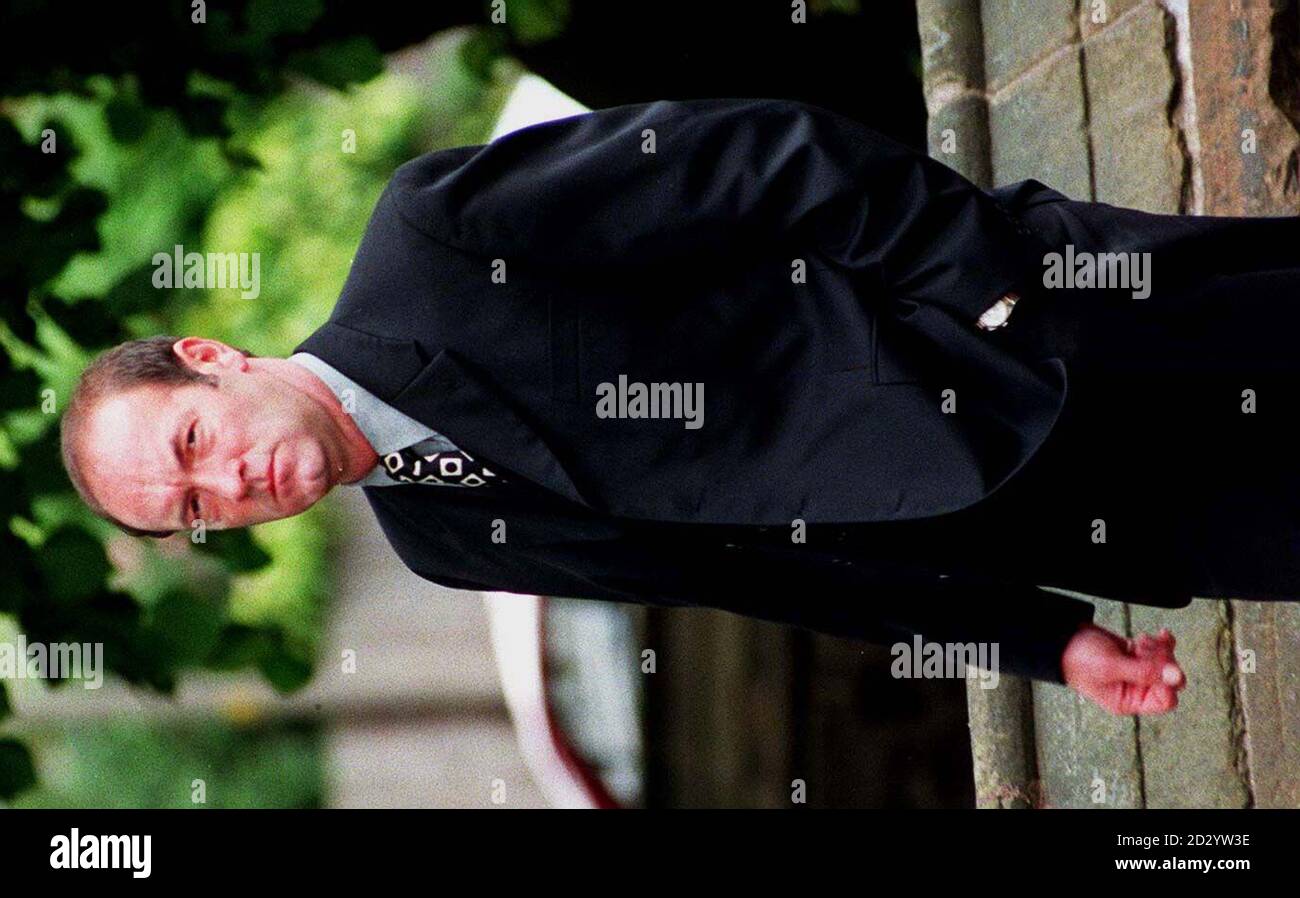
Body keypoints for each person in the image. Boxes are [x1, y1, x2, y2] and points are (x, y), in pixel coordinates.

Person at [62, 97, 1300, 716]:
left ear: (209, 354)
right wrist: (1043, 640)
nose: (226, 489)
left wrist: (998, 292)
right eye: (195, 512)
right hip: (1049, 517)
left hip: (1060, 333)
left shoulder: (430, 239)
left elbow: (760, 160)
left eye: (191, 446)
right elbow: (769, 573)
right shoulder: (439, 546)